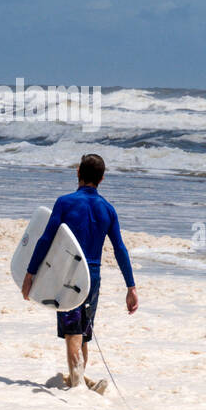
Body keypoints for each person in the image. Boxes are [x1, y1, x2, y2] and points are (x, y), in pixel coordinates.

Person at [21, 153, 139, 390]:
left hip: (68, 273)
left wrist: (30, 273)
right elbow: (120, 249)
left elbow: (46, 239)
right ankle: (80, 380)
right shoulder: (108, 209)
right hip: (92, 276)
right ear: (102, 179)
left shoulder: (65, 202)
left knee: (73, 332)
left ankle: (77, 386)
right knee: (83, 332)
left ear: (78, 172)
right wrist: (131, 287)